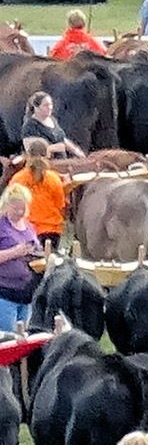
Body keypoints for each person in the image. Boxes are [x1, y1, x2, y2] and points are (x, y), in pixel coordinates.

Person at [14, 139, 66, 251]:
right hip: (51, 232)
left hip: (25, 231)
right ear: (47, 155)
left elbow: (11, 206)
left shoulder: (18, 179)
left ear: (27, 155)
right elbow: (60, 205)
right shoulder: (54, 179)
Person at [0, 182, 35, 331]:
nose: (20, 212)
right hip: (4, 292)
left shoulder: (29, 227)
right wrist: (15, 252)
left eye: (23, 208)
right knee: (9, 339)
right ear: (7, 205)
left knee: (25, 337)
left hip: (27, 292)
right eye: (16, 208)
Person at [22, 92, 79, 160]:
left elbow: (62, 139)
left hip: (62, 163)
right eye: (46, 105)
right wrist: (52, 148)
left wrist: (77, 151)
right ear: (36, 107)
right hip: (46, 165)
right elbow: (34, 150)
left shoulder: (52, 120)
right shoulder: (30, 126)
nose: (50, 108)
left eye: (51, 104)